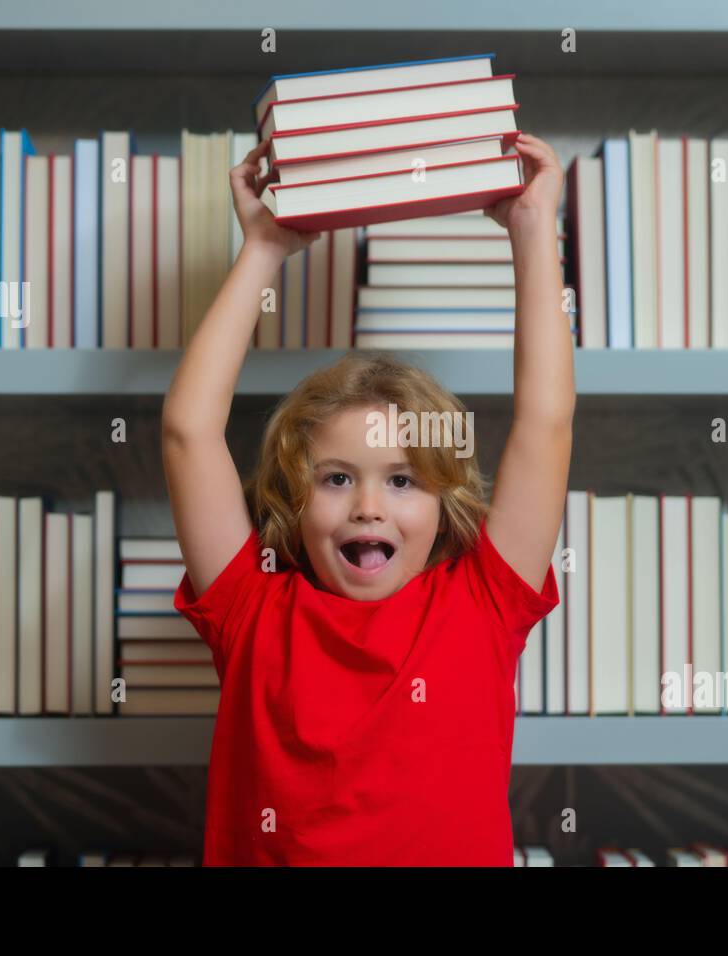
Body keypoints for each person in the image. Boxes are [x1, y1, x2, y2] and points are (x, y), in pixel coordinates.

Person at [162, 132, 575, 865]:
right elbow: (189, 432)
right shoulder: (251, 612)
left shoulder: (482, 603)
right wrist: (261, 249)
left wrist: (533, 228)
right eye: (337, 478)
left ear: (445, 501)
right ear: (297, 499)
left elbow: (545, 422)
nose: (369, 508)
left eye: (403, 479)